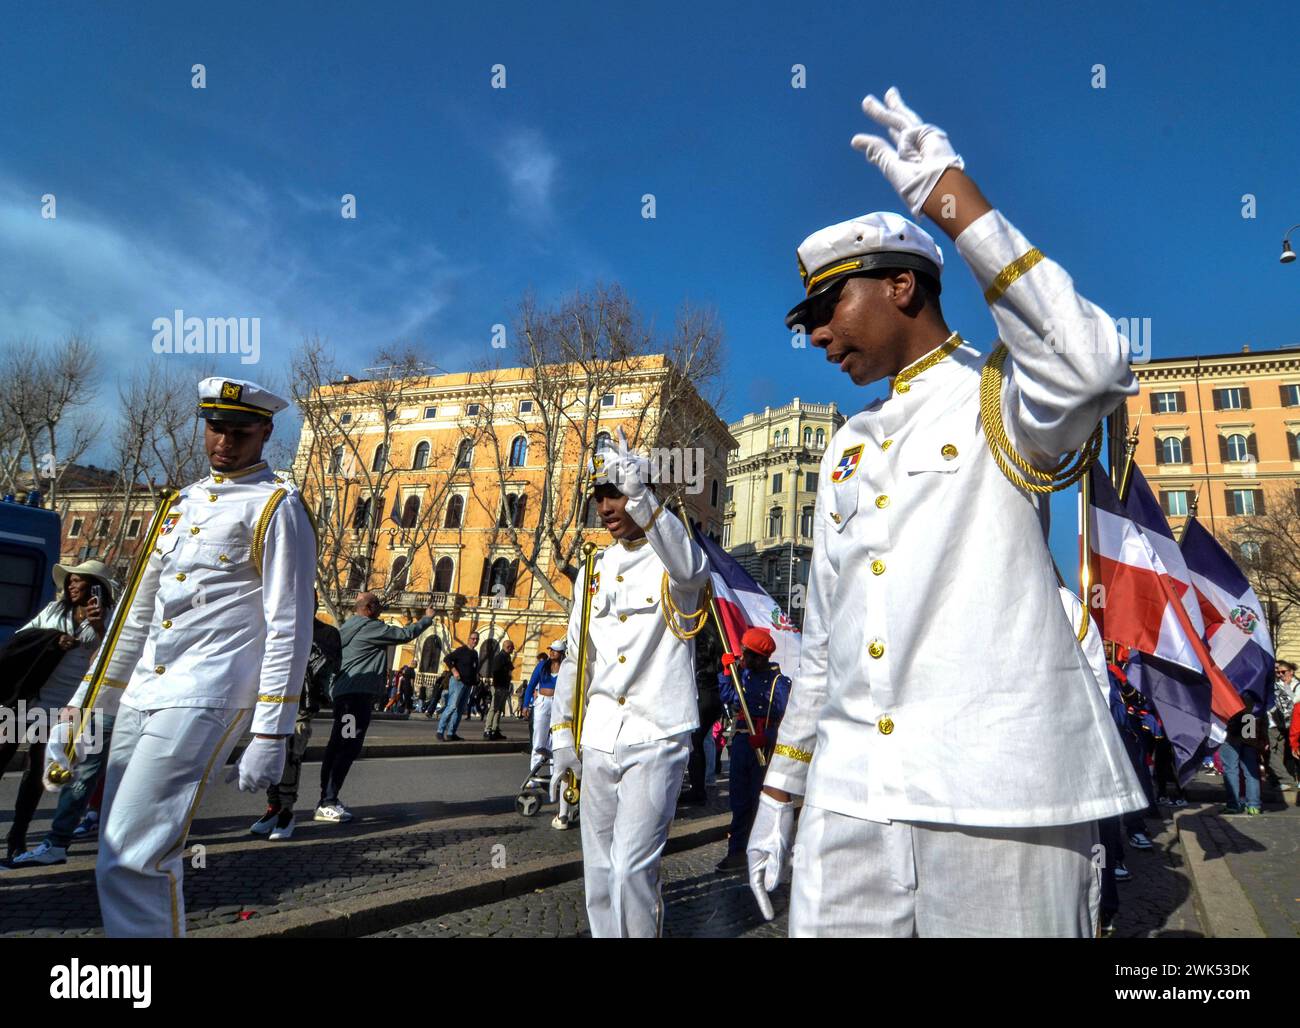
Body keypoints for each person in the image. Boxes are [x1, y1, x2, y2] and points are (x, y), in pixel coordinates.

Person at [746, 88, 1147, 937]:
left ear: (901, 287)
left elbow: (1095, 367)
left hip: (998, 798)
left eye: (827, 310)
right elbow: (824, 632)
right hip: (850, 800)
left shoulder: (1003, 393)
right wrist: (783, 789)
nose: (816, 335)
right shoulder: (847, 443)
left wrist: (953, 202)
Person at [87, 377, 316, 937]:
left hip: (209, 691)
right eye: (215, 428)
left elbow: (289, 623)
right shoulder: (178, 503)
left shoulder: (276, 506)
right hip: (146, 690)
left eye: (240, 431)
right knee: (114, 847)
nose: (224, 442)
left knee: (137, 856)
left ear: (265, 432)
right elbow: (137, 614)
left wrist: (272, 730)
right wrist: (89, 703)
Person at [550, 428, 709, 937]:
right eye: (600, 496)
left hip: (656, 730)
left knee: (632, 868)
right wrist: (561, 737)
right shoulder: (593, 568)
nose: (605, 506)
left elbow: (692, 571)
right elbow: (578, 657)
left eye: (614, 493)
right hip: (599, 735)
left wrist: (643, 498)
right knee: (598, 871)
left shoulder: (672, 558)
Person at [2, 560, 114, 866]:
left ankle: (17, 839)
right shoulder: (54, 611)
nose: (72, 586)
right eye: (71, 581)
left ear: (97, 587)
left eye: (80, 582)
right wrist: (53, 640)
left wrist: (101, 626)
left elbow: (113, 656)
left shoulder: (110, 618)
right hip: (27, 702)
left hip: (68, 707)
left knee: (39, 774)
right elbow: (19, 641)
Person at [318, 593, 434, 821]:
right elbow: (404, 634)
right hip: (355, 697)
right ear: (369, 608)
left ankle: (327, 797)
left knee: (337, 746)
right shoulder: (369, 627)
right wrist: (427, 619)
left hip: (345, 695)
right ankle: (327, 801)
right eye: (378, 606)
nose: (381, 609)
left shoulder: (349, 625)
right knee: (346, 746)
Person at [250, 604, 341, 841]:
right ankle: (273, 807)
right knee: (272, 753)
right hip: (271, 701)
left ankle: (287, 811)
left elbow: (329, 672)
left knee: (292, 754)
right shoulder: (276, 625)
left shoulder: (327, 634)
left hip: (301, 703)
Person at [715, 628, 790, 871]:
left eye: (747, 655)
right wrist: (727, 673)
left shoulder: (779, 682)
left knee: (762, 802)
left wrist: (768, 736)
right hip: (741, 743)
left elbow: (789, 719)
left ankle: (765, 852)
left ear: (760, 658)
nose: (742, 659)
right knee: (739, 801)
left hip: (764, 749)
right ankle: (737, 851)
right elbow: (728, 698)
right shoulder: (742, 675)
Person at [523, 639, 575, 829]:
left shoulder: (566, 668)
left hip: (558, 704)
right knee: (539, 738)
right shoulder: (542, 666)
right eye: (551, 650)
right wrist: (525, 704)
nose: (552, 653)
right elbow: (531, 685)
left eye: (555, 651)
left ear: (562, 653)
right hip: (543, 702)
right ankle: (533, 775)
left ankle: (556, 774)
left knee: (556, 741)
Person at [679, 619, 723, 808]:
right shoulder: (713, 633)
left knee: (694, 742)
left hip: (703, 692)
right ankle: (700, 786)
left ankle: (698, 789)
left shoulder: (699, 634)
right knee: (698, 741)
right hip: (712, 693)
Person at [437, 631, 480, 741]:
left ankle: (451, 733)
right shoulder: (461, 650)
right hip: (458, 682)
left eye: (477, 639)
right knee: (452, 706)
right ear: (469, 639)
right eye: (473, 638)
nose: (475, 641)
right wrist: (454, 671)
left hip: (468, 684)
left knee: (460, 709)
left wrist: (476, 677)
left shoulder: (475, 654)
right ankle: (440, 731)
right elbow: (447, 659)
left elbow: (474, 668)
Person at [485, 639, 515, 740]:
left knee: (499, 709)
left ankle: (495, 729)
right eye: (512, 647)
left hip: (503, 686)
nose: (513, 649)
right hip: (499, 686)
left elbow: (509, 671)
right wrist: (497, 686)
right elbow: (496, 672)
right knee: (494, 708)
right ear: (508, 647)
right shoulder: (500, 657)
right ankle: (488, 730)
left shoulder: (506, 657)